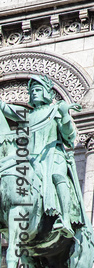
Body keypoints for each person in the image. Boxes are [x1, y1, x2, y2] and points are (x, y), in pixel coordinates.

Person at [0, 76, 84, 238]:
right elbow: (5, 108)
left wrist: (65, 115)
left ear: (46, 93)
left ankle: (65, 219)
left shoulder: (54, 111)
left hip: (52, 155)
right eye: (32, 91)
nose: (34, 94)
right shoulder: (26, 114)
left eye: (38, 90)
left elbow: (69, 136)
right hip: (29, 158)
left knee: (58, 175)